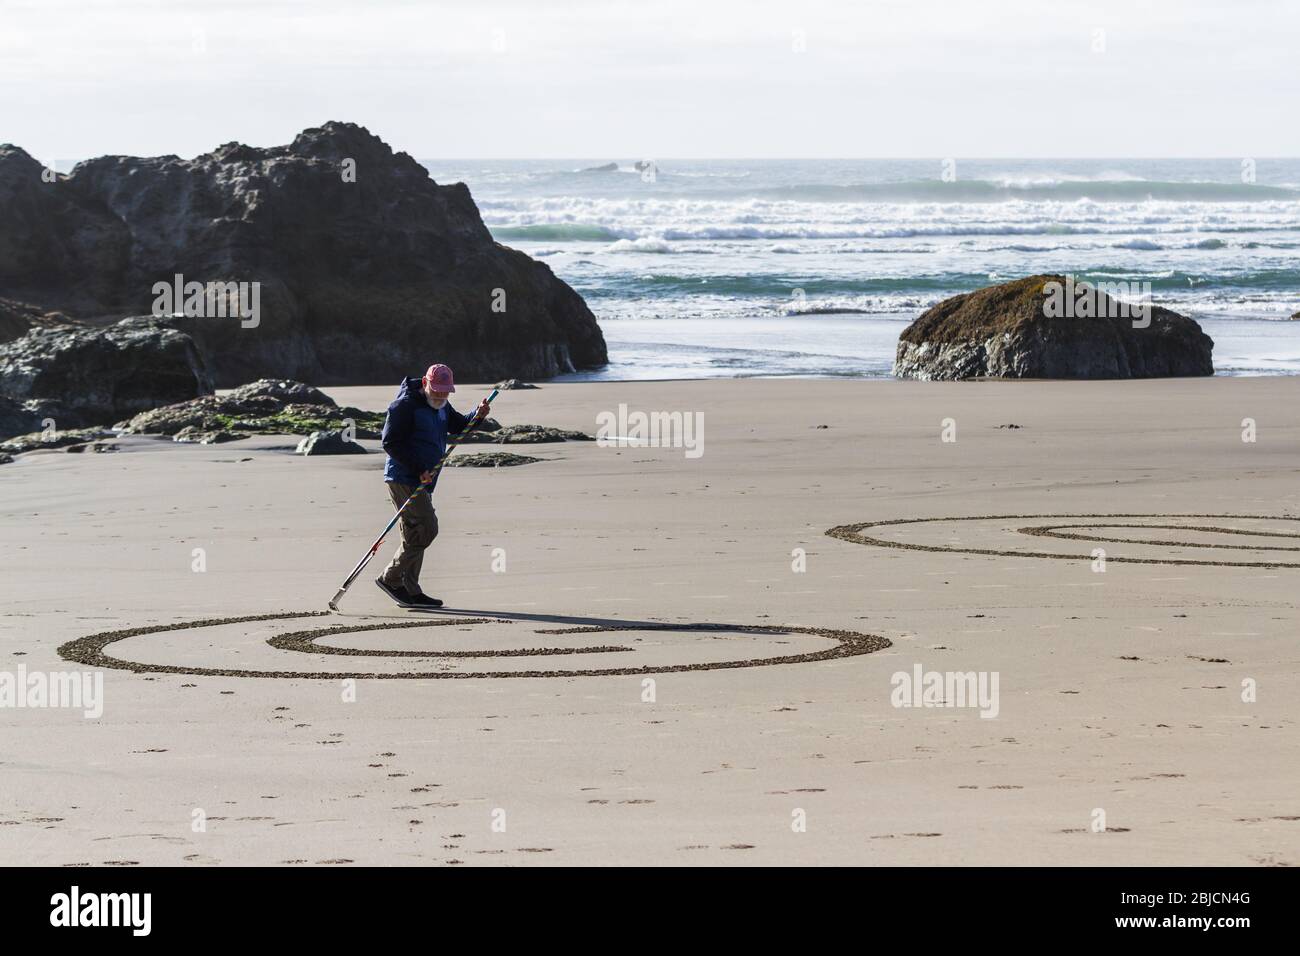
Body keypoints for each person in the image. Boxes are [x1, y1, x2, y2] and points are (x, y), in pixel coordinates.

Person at [376, 363, 490, 608]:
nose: (440, 396)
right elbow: (390, 443)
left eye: (445, 391)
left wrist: (477, 415)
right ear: (425, 383)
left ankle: (410, 590)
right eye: (437, 390)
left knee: (415, 533)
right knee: (427, 528)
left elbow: (459, 426)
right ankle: (391, 578)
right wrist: (418, 469)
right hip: (403, 478)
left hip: (426, 478)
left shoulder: (441, 405)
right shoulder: (404, 407)